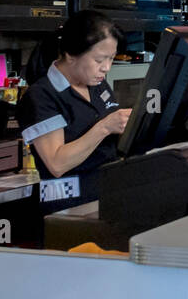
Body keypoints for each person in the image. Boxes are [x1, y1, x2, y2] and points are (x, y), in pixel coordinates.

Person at [16, 11, 131, 202]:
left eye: (111, 58)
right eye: (99, 60)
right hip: (69, 204)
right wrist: (105, 127)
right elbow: (57, 163)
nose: (106, 68)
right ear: (71, 55)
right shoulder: (41, 96)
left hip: (107, 193)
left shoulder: (97, 84)